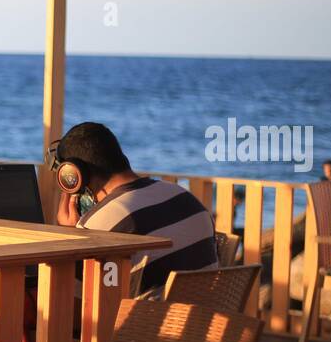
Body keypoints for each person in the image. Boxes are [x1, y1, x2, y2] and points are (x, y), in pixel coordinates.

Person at [53, 121, 216, 294]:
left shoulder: (99, 226)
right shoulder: (188, 199)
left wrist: (73, 239)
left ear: (74, 174)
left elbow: (75, 302)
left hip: (146, 320)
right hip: (209, 318)